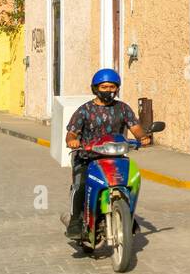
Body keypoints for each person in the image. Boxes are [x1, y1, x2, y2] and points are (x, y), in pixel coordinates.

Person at [64, 68, 152, 238]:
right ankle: (75, 221)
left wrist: (143, 137)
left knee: (130, 181)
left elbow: (136, 128)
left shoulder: (123, 108)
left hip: (115, 157)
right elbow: (72, 133)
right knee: (80, 185)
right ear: (95, 88)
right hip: (87, 157)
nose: (109, 91)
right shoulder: (84, 110)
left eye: (112, 87)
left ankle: (128, 216)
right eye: (104, 87)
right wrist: (72, 141)